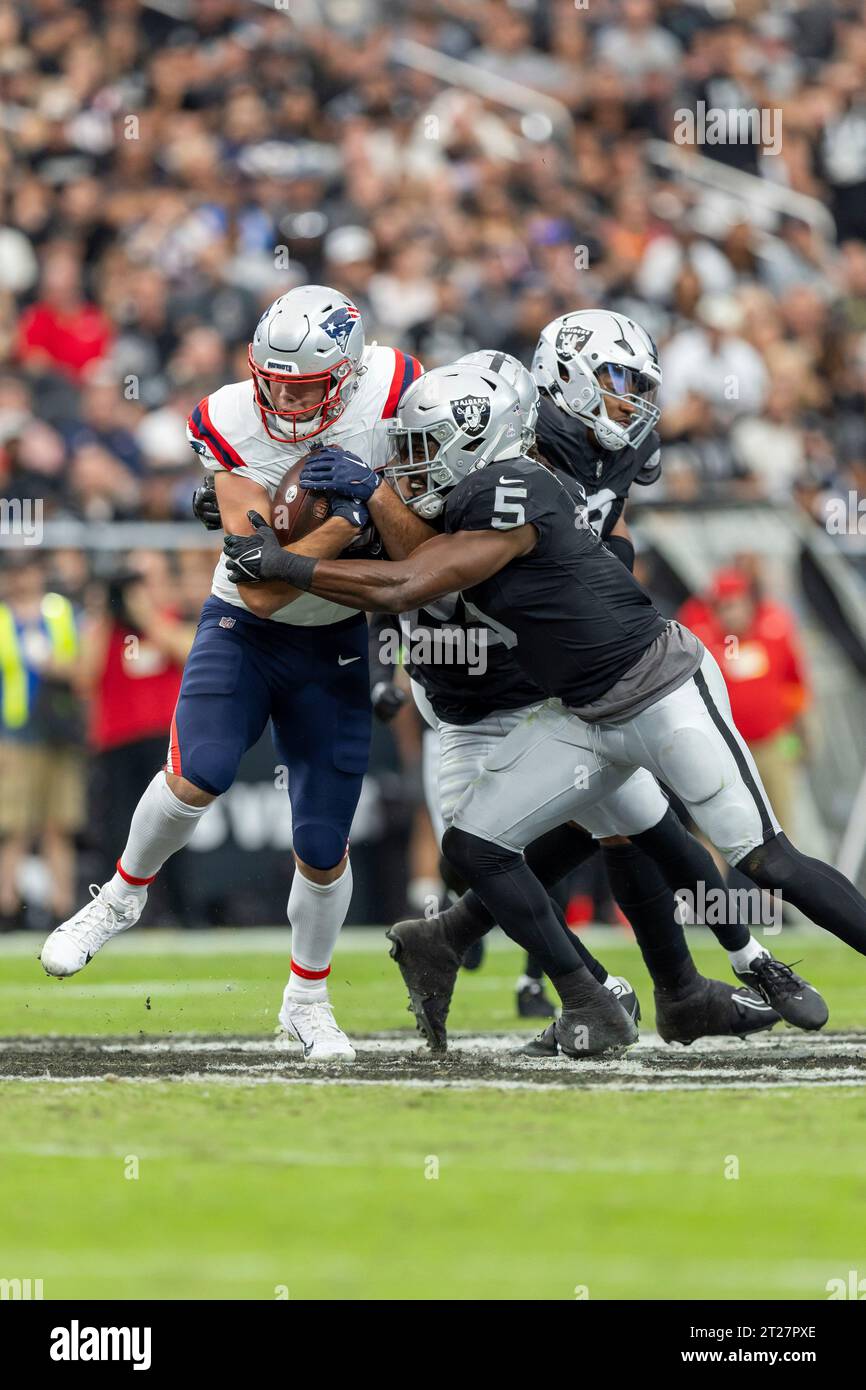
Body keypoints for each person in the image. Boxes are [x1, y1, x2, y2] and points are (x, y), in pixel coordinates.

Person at [222, 360, 866, 1060]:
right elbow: (396, 542)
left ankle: (729, 964)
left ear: (477, 442)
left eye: (424, 447)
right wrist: (262, 510)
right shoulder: (467, 491)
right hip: (579, 713)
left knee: (767, 858)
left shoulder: (515, 486)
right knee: (475, 845)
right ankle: (588, 988)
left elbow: (408, 581)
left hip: (657, 687)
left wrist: (289, 566)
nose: (409, 466)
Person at [40, 285, 421, 1063]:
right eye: (271, 381)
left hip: (339, 636)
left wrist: (382, 501)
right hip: (243, 627)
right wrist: (352, 522)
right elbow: (261, 583)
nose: (282, 399)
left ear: (347, 377)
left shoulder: (398, 388)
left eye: (303, 386)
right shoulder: (229, 418)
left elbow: (420, 547)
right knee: (199, 772)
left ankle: (307, 1001)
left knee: (323, 839)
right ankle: (119, 898)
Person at [0, 553, 83, 927]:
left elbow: (83, 666)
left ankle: (60, 905)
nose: (22, 578)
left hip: (59, 732)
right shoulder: (3, 618)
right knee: (16, 825)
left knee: (58, 823)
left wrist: (52, 663)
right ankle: (7, 905)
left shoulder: (59, 611)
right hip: (15, 733)